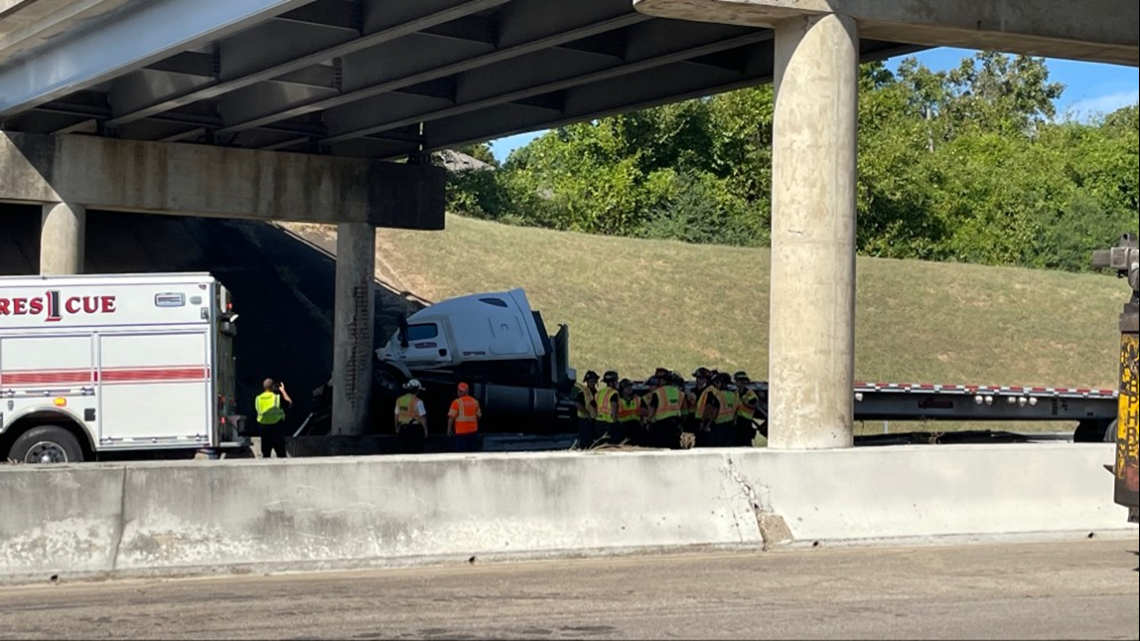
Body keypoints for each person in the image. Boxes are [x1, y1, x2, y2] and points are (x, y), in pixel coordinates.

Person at [254, 377, 292, 459]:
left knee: (266, 455)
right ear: (272, 387)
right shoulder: (276, 398)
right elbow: (289, 403)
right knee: (281, 455)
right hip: (277, 429)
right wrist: (282, 390)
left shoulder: (258, 399)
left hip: (264, 430)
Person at [645, 375, 684, 449]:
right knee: (675, 445)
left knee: (661, 447)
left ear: (662, 381)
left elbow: (652, 408)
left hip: (662, 424)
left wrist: (648, 421)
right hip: (676, 423)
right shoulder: (679, 392)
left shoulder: (658, 392)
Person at [394, 379, 429, 454]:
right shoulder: (418, 401)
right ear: (416, 390)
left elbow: (396, 415)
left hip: (402, 428)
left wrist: (396, 426)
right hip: (415, 429)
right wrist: (425, 429)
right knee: (417, 450)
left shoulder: (399, 400)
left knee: (404, 451)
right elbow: (422, 416)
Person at [448, 382, 482, 453]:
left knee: (462, 453)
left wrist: (449, 429)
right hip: (473, 431)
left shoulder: (456, 402)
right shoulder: (475, 402)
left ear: (459, 391)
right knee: (472, 453)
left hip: (461, 432)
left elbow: (451, 417)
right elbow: (478, 416)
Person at [733, 372, 762, 447]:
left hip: (746, 421)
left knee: (746, 443)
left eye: (737, 381)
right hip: (737, 421)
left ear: (741, 382)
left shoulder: (749, 393)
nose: (735, 383)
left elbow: (756, 406)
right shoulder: (736, 393)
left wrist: (745, 404)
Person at [574, 371, 600, 449]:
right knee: (586, 441)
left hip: (593, 419)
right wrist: (587, 414)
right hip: (584, 420)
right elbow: (578, 404)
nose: (592, 383)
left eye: (594, 381)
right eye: (590, 381)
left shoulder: (595, 392)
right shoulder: (583, 392)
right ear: (587, 382)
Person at [594, 370, 620, 445]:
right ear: (612, 382)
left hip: (599, 423)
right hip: (609, 423)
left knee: (602, 446)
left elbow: (593, 406)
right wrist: (615, 421)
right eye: (616, 381)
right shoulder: (613, 393)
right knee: (612, 446)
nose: (617, 383)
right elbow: (614, 406)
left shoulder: (599, 393)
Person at [615, 378, 643, 445]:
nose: (629, 388)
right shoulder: (618, 401)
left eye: (630, 386)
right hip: (624, 427)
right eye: (626, 387)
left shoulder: (638, 399)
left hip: (637, 427)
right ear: (622, 389)